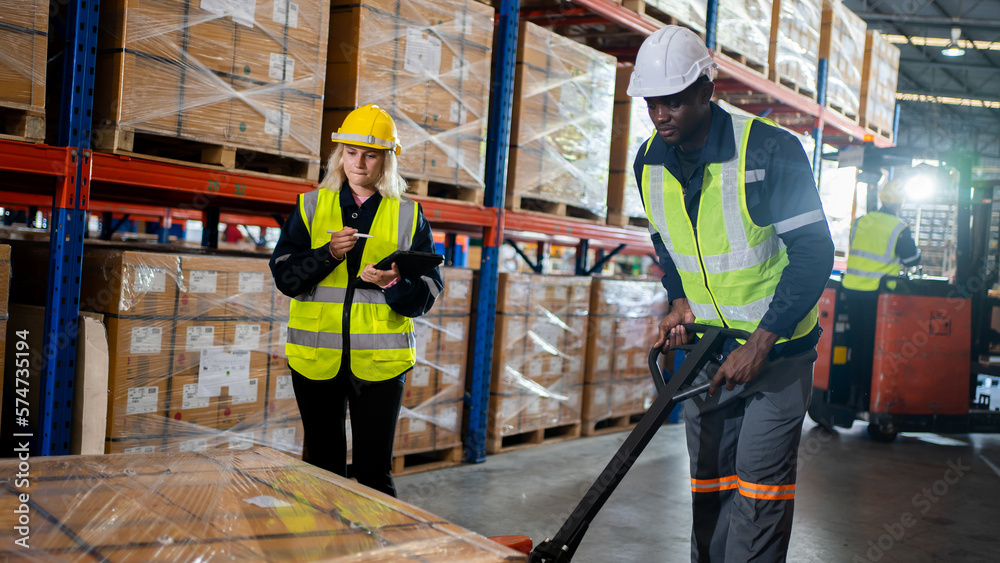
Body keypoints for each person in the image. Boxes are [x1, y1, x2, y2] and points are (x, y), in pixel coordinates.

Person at [628, 26, 834, 562]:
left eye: (673, 100)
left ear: (706, 89)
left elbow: (815, 254)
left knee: (759, 495)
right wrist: (677, 298)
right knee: (710, 487)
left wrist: (762, 342)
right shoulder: (647, 160)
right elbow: (665, 241)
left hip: (777, 355)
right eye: (652, 102)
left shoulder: (769, 149)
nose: (660, 114)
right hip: (707, 353)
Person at [269, 104, 443, 497]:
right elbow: (285, 278)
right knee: (322, 467)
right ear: (339, 155)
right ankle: (325, 551)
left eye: (370, 154)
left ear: (387, 160)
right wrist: (326, 254)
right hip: (315, 359)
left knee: (372, 469)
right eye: (350, 152)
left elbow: (427, 293)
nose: (359, 164)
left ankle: (379, 555)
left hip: (380, 365)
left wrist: (391, 283)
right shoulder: (310, 207)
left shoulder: (409, 215)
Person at [840, 179, 921, 410]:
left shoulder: (860, 222)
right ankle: (868, 396)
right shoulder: (899, 228)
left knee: (856, 343)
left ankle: (853, 393)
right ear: (901, 202)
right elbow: (912, 260)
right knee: (874, 346)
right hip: (877, 295)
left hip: (852, 289)